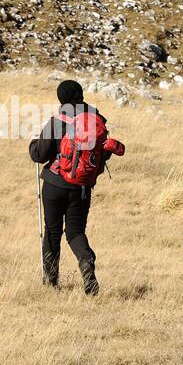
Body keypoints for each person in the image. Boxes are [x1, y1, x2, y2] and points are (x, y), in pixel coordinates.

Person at [28, 80, 124, 295]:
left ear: (61, 98)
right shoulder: (96, 120)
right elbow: (103, 152)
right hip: (81, 187)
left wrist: (34, 142)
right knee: (75, 232)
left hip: (54, 184)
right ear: (80, 95)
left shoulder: (57, 121)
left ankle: (51, 283)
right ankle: (86, 259)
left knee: (52, 231)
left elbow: (38, 155)